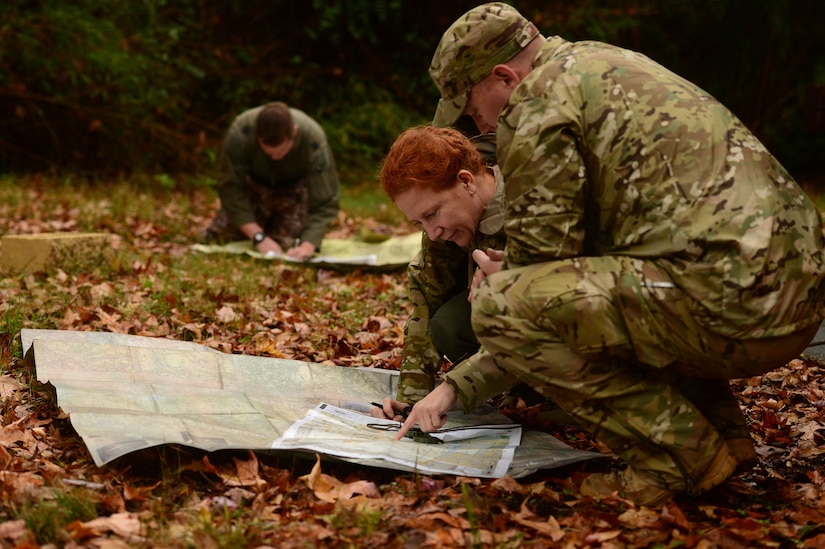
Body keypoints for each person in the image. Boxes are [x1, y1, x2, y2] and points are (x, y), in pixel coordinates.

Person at [377, 2, 825, 507]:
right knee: (620, 280)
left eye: (472, 106)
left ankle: (678, 456)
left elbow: (538, 280)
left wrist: (489, 322)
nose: (476, 123)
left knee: (504, 307)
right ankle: (725, 443)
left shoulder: (538, 107)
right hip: (796, 294)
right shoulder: (609, 63)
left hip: (738, 304)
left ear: (503, 77)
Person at [388, 124, 506, 404]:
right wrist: (410, 400)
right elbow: (427, 304)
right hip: (514, 335)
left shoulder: (531, 202)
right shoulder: (443, 228)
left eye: (432, 214)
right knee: (448, 324)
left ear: (466, 182)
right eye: (420, 222)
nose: (432, 232)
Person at [202, 101, 340, 261]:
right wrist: (257, 236)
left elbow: (326, 201)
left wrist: (308, 246)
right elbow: (230, 187)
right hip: (253, 191)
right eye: (268, 152)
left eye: (279, 152)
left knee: (287, 245)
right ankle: (258, 225)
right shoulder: (241, 133)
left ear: (294, 132)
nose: (274, 157)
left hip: (292, 194)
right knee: (217, 237)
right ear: (257, 135)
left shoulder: (313, 140)